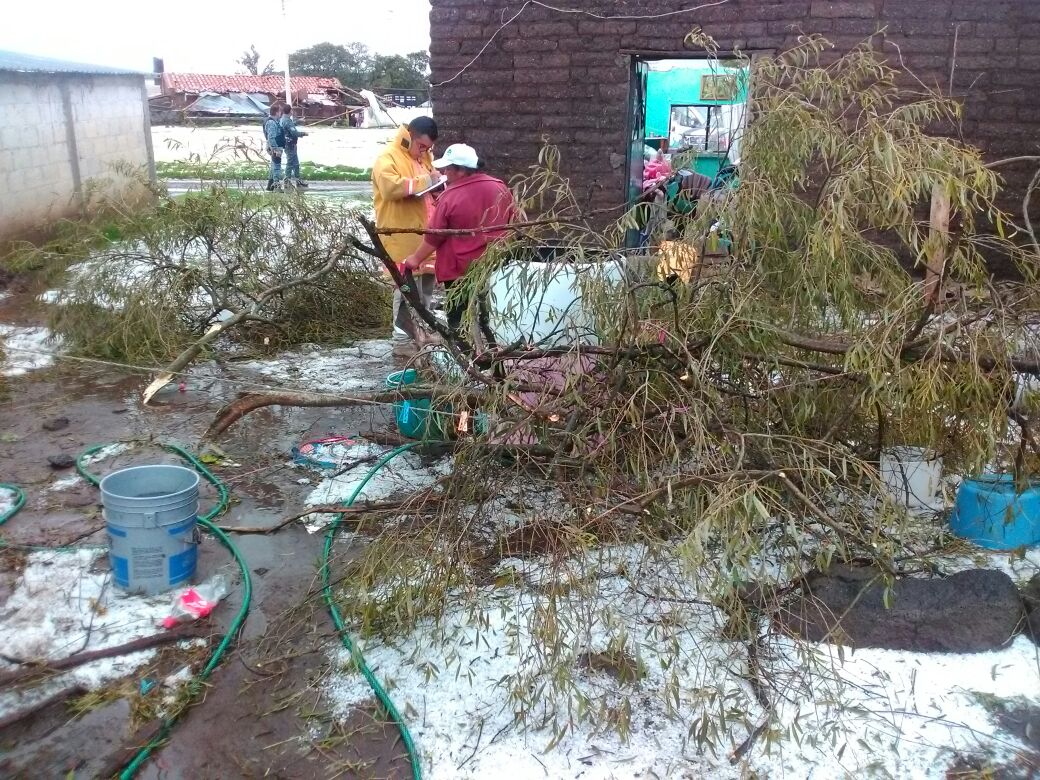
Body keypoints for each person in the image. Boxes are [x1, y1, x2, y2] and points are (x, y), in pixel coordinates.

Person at [401, 143, 517, 343]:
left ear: (461, 170)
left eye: (448, 169)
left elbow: (434, 237)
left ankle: (464, 353)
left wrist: (415, 259)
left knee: (458, 319)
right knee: (487, 315)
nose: (444, 173)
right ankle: (491, 349)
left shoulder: (450, 197)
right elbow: (513, 222)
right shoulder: (500, 187)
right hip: (493, 266)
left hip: (459, 271)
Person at [372, 116, 442, 357]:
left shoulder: (424, 158)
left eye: (428, 148)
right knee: (405, 290)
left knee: (425, 289)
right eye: (421, 146)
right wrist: (427, 181)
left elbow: (428, 185)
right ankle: (402, 341)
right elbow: (391, 188)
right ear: (409, 136)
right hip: (401, 236)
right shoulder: (388, 158)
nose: (424, 151)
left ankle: (420, 333)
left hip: (424, 236)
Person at [279, 104, 309, 188]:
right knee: (290, 163)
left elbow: (289, 127)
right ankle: (287, 181)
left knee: (295, 163)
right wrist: (304, 133)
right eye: (291, 110)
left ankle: (298, 180)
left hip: (288, 144)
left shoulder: (283, 119)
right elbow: (294, 133)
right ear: (290, 111)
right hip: (290, 144)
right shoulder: (287, 121)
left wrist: (298, 121)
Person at [263, 104, 284, 191]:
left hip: (273, 146)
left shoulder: (272, 121)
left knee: (273, 165)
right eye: (280, 111)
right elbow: (271, 137)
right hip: (274, 147)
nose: (281, 113)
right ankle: (276, 185)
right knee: (276, 166)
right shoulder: (271, 122)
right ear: (276, 112)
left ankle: (270, 185)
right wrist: (275, 149)